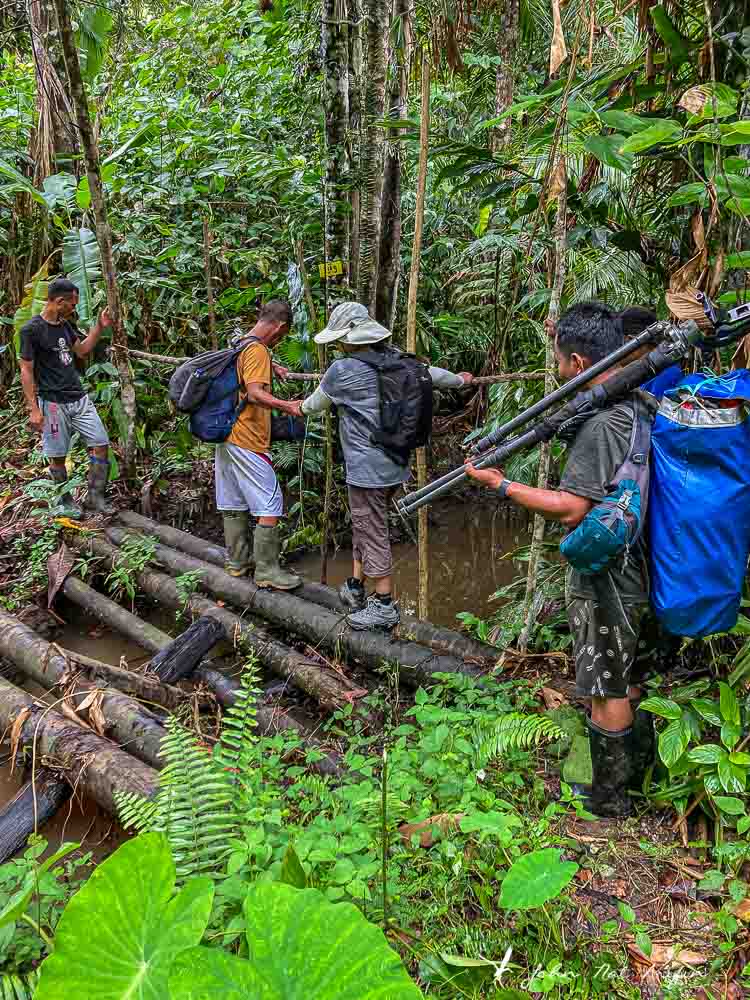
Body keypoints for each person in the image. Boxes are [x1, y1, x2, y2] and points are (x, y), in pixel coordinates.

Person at [466, 302, 657, 817]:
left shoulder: (601, 425)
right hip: (638, 561)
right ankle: (631, 780)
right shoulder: (638, 401)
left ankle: (609, 802)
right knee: (627, 671)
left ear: (576, 362)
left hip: (607, 573)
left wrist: (501, 483)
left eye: (558, 356)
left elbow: (573, 507)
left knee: (605, 682)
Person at [301, 302, 473, 630]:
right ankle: (355, 584)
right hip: (396, 462)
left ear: (349, 339)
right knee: (366, 523)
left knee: (372, 528)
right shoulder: (396, 359)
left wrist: (294, 407)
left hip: (366, 469)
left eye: (340, 340)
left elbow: (311, 406)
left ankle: (383, 605)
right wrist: (462, 381)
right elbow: (434, 376)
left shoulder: (342, 371)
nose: (338, 345)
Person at [217, 299, 304, 590]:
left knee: (233, 501)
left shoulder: (240, 344)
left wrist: (272, 366)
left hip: (225, 435)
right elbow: (254, 393)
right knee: (270, 502)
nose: (280, 340)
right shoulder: (256, 350)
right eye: (282, 335)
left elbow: (243, 376)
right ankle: (267, 571)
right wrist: (287, 405)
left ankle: (238, 563)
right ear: (279, 326)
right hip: (248, 438)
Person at [19, 278, 114, 517]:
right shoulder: (31, 330)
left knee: (100, 443)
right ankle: (64, 501)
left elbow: (81, 350)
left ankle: (95, 497)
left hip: (78, 397)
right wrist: (33, 409)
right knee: (58, 455)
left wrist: (99, 327)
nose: (74, 308)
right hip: (52, 403)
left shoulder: (64, 326)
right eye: (72, 304)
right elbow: (26, 370)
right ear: (59, 301)